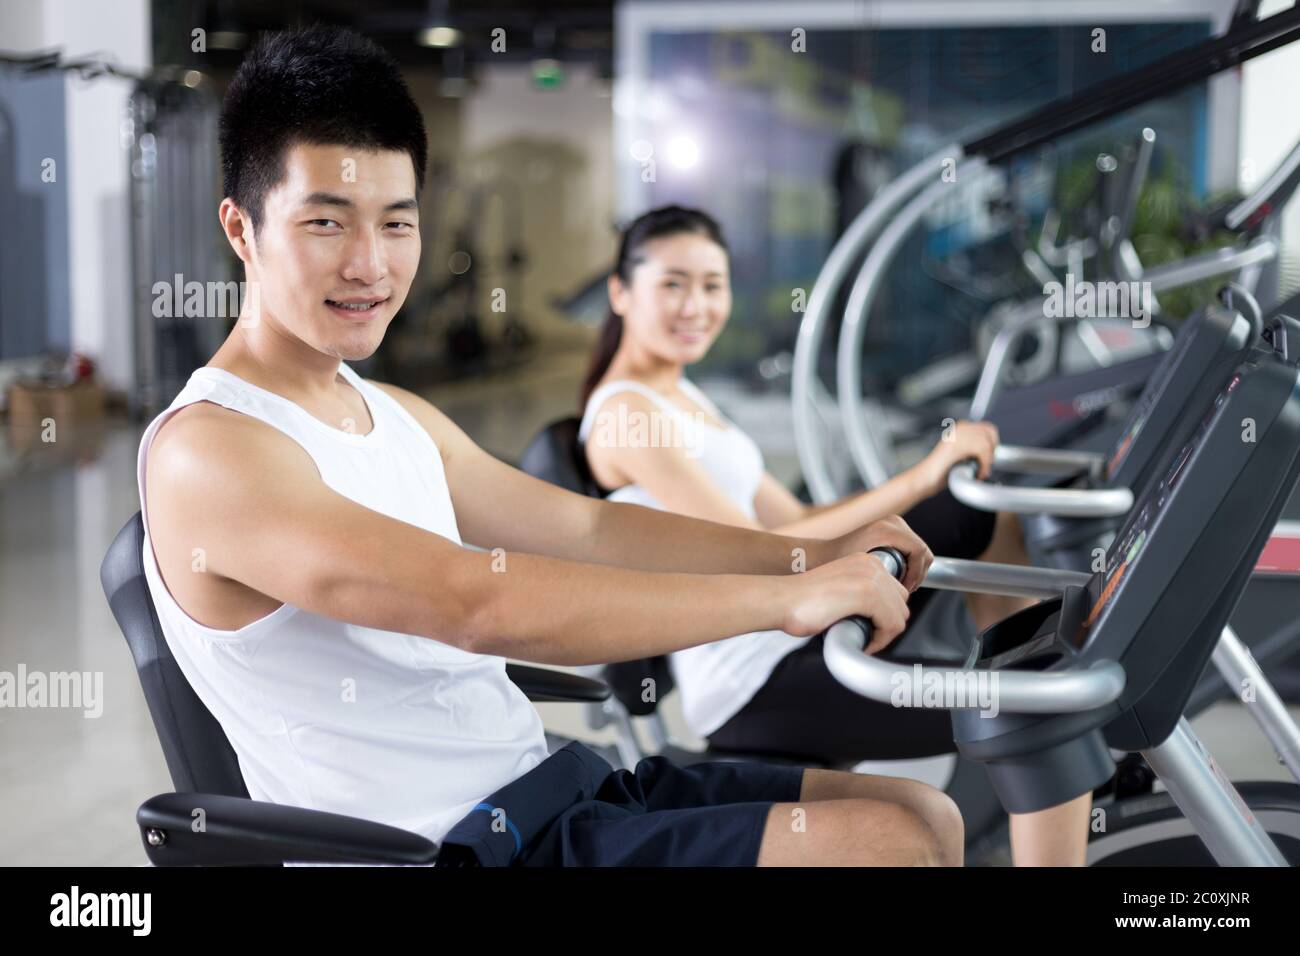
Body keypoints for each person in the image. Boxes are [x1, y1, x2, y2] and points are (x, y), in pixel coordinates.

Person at [137, 25, 960, 867]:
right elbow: (476, 603)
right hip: (444, 851)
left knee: (925, 814)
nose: (370, 264)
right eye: (326, 223)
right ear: (241, 230)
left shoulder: (394, 414)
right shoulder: (211, 451)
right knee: (884, 844)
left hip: (547, 793)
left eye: (396, 223)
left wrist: (808, 555)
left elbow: (590, 531)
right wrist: (783, 603)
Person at [579, 205, 1092, 866]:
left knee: (981, 518)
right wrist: (917, 478)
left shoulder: (688, 399)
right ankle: (1023, 704)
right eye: (673, 284)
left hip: (795, 629)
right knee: (1037, 712)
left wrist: (926, 488)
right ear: (621, 292)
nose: (696, 305)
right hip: (753, 683)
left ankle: (1015, 655)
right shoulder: (624, 414)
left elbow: (797, 522)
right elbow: (757, 550)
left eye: (713, 285)